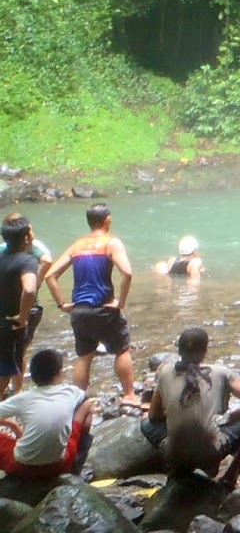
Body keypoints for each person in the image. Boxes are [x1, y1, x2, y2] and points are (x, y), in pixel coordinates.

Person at [40, 204, 139, 410]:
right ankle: (129, 395)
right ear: (108, 220)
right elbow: (127, 273)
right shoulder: (111, 243)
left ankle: (80, 401)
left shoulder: (77, 246)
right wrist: (120, 302)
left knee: (85, 356)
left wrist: (62, 304)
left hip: (79, 311)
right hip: (104, 309)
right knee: (122, 349)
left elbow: (50, 275)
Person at [142, 327, 240, 487]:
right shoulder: (222, 372)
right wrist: (232, 417)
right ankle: (231, 475)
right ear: (205, 350)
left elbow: (153, 416)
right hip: (212, 452)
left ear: (179, 350)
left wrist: (176, 415)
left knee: (145, 424)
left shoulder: (165, 372)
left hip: (174, 454)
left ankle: (178, 469)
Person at [0, 349, 94, 480]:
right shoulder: (71, 392)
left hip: (20, 467)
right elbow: (86, 399)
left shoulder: (23, 398)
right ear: (60, 374)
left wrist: (9, 423)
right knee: (87, 406)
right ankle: (77, 464)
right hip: (59, 465)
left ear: (32, 376)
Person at [0, 214, 47, 399]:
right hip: (9, 324)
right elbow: (29, 290)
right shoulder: (27, 261)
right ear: (27, 237)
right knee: (6, 369)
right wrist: (22, 316)